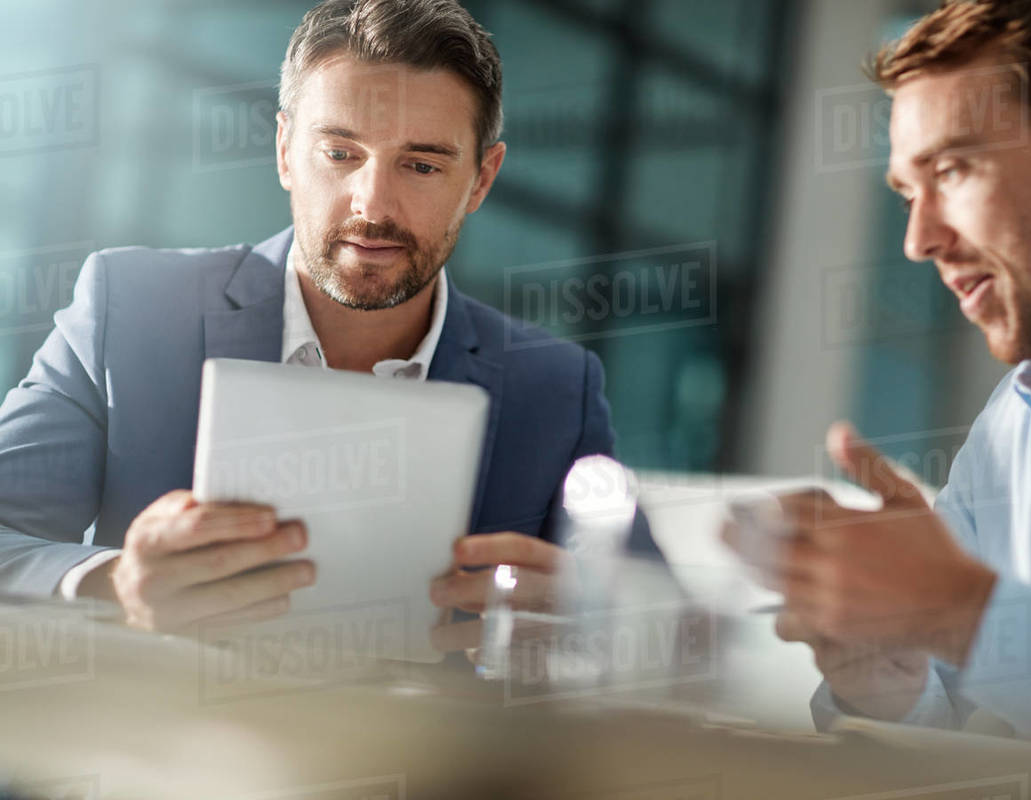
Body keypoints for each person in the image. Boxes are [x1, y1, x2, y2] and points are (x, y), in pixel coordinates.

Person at [0, 0, 651, 633]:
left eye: (421, 164)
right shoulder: (131, 309)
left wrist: (586, 624)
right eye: (340, 154)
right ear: (286, 151)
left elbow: (658, 613)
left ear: (480, 180)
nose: (372, 204)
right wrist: (113, 582)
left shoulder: (557, 391)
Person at [725, 0, 1031, 760]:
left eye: (953, 169)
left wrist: (965, 612)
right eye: (909, 194)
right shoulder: (1014, 419)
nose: (919, 241)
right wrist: (887, 679)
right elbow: (959, 732)